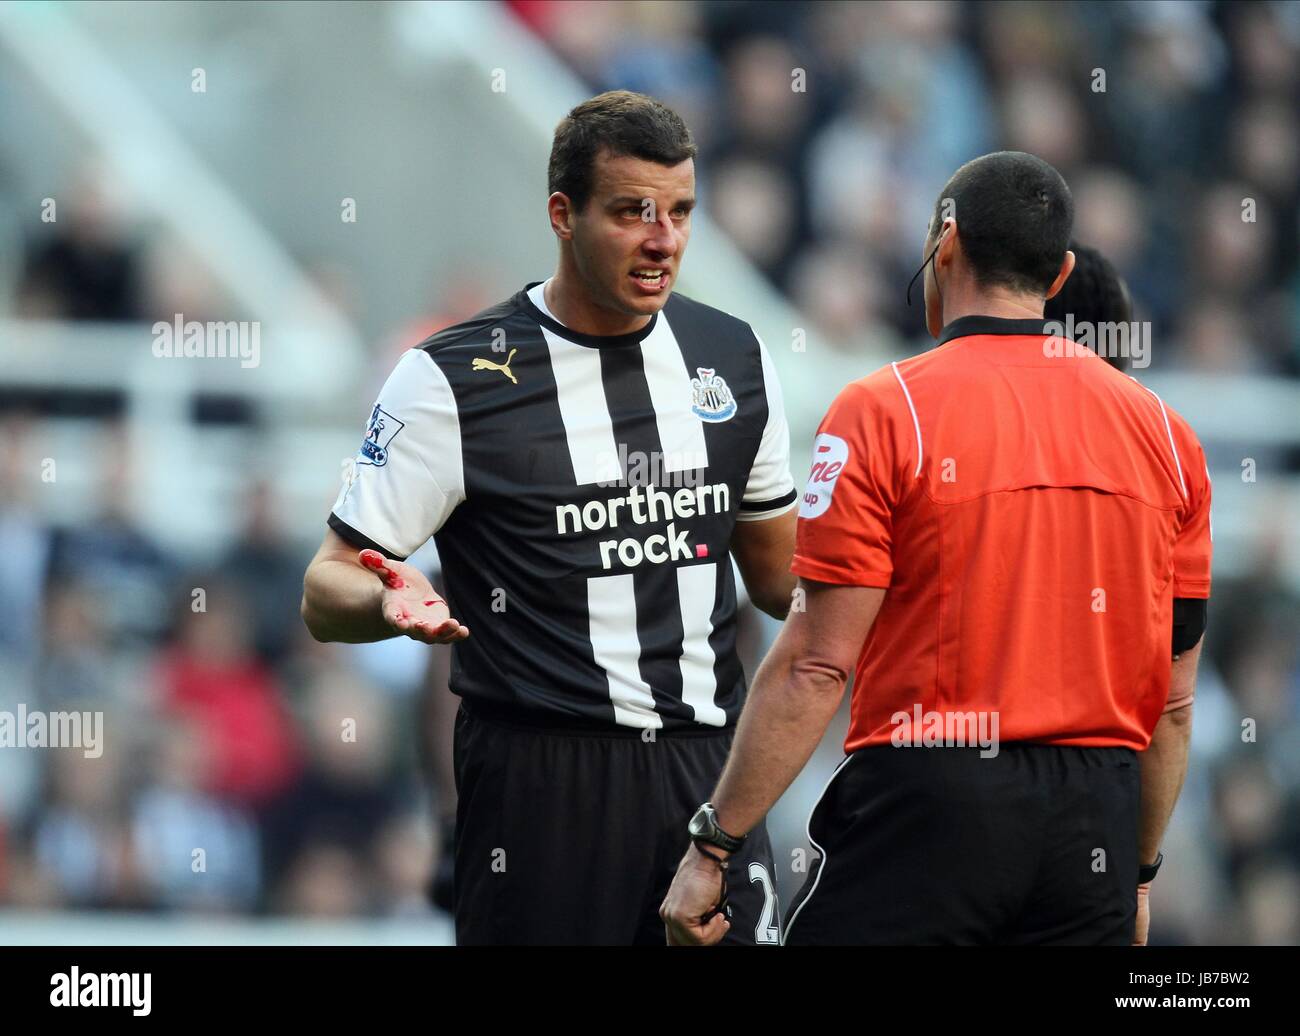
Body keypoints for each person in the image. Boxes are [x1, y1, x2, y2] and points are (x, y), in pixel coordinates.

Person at [661, 151, 1212, 946]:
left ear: (944, 241)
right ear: (1058, 277)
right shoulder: (1167, 435)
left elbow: (817, 663)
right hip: (1096, 820)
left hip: (933, 802)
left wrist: (714, 843)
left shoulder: (885, 411)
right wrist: (1135, 874)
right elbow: (1174, 704)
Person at [302, 90, 798, 945]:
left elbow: (786, 585)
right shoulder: (450, 379)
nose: (663, 239)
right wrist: (390, 601)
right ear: (562, 215)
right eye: (632, 213)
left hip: (705, 776)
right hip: (538, 788)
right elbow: (324, 587)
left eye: (680, 212)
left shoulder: (732, 358)